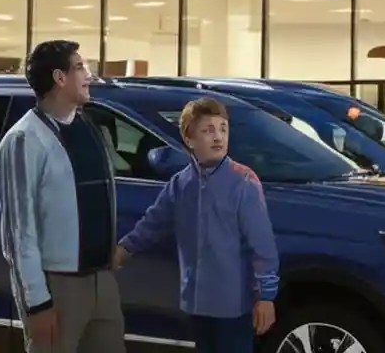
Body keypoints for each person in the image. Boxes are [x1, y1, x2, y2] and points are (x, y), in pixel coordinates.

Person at [113, 97, 279, 353]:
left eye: (223, 129)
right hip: (197, 304)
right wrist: (124, 250)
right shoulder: (181, 184)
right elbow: (153, 223)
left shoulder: (243, 182)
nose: (218, 137)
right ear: (189, 139)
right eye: (208, 130)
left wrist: (266, 297)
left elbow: (262, 245)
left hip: (233, 306)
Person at [0, 40, 126, 353]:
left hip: (101, 280)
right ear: (59, 77)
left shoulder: (89, 128)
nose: (89, 75)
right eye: (80, 67)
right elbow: (19, 233)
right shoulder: (24, 140)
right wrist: (37, 303)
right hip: (58, 285)